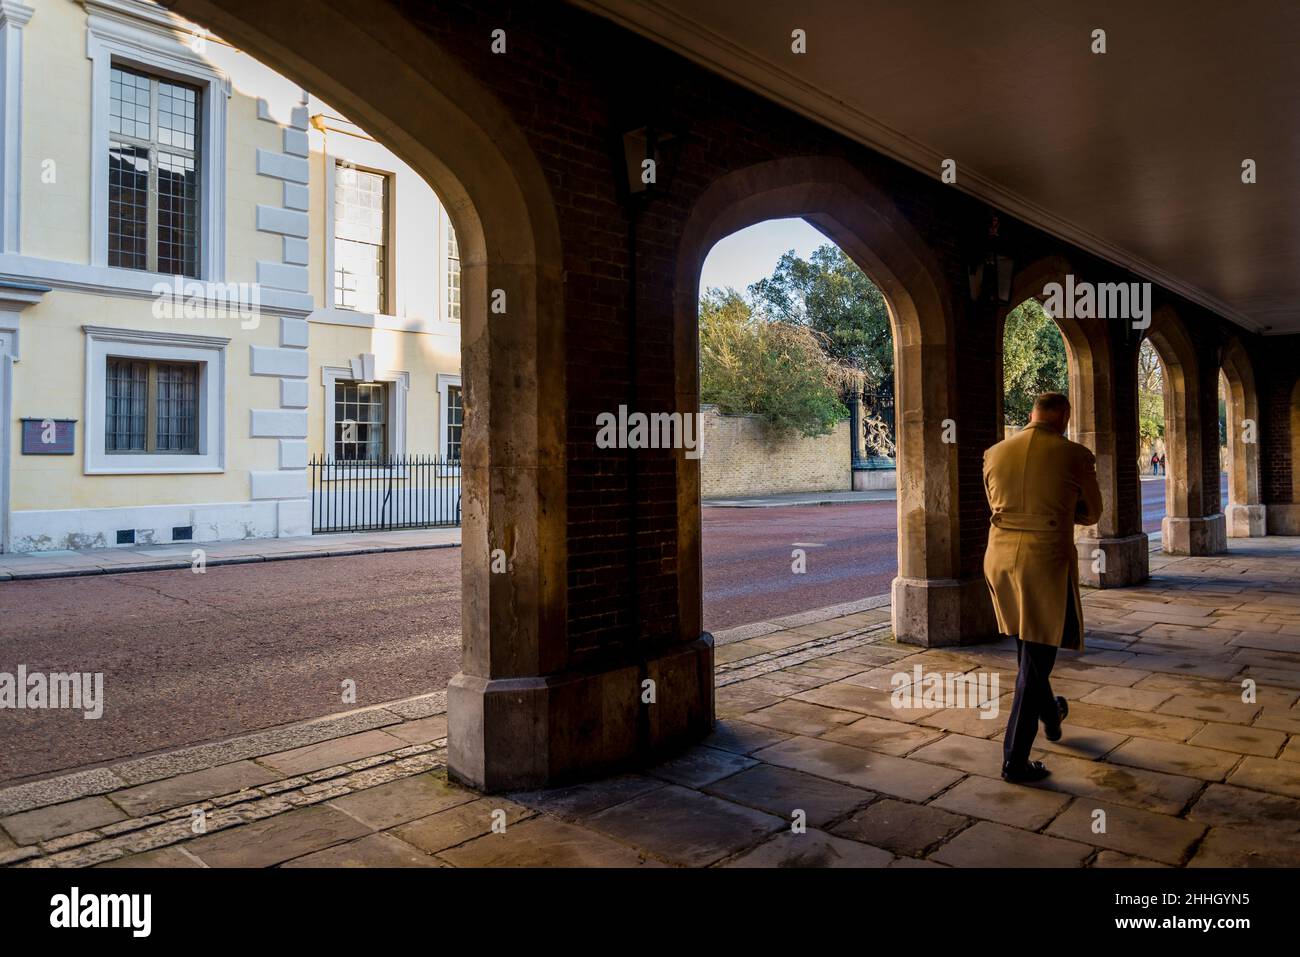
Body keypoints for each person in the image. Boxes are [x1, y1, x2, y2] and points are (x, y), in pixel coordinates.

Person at [984, 392, 1103, 782]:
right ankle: (1014, 761)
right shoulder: (1074, 454)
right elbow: (1093, 511)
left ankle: (1052, 714)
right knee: (1036, 661)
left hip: (1000, 558)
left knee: (1028, 648)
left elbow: (996, 503)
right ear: (1063, 416)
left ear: (1033, 413)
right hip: (1044, 561)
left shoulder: (995, 452)